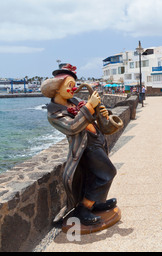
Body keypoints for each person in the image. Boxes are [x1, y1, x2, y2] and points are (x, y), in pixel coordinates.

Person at [40, 64, 118, 226]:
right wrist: (90, 106)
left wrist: (101, 113)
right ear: (56, 89)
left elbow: (90, 115)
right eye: (69, 86)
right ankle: (83, 209)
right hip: (85, 148)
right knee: (108, 172)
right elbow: (72, 127)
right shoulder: (54, 113)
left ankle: (95, 202)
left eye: (74, 85)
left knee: (95, 176)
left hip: (96, 141)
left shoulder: (74, 101)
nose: (73, 89)